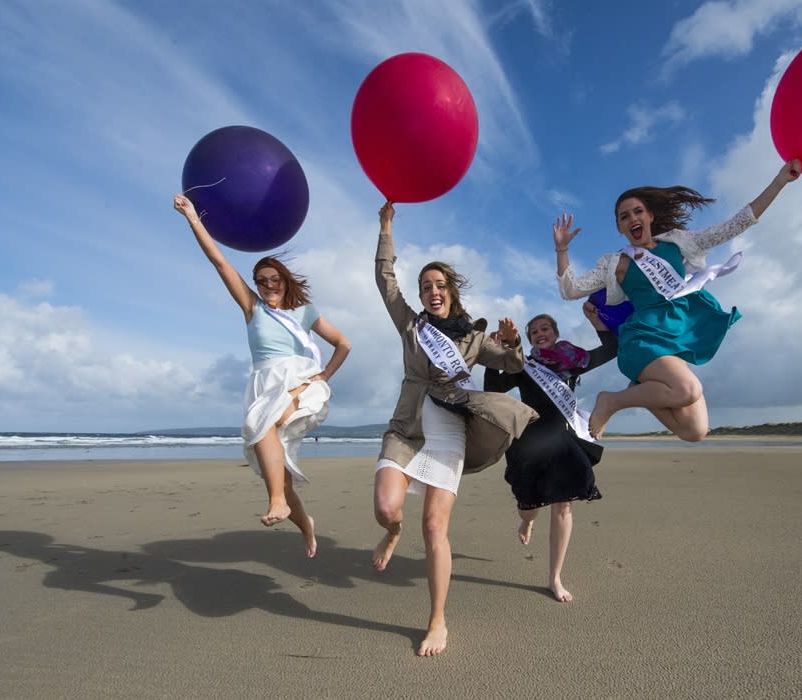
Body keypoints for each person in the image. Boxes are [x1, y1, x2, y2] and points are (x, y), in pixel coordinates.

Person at [373, 201, 537, 657]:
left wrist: (513, 343)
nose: (432, 291)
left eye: (439, 285)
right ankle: (391, 532)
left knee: (433, 528)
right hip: (406, 427)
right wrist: (386, 228)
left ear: (451, 292)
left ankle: (437, 621)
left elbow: (510, 364)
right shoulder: (411, 326)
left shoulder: (470, 338)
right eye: (425, 286)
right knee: (387, 507)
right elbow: (385, 280)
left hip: (448, 434)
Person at [553, 160, 802, 441]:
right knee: (688, 391)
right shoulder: (616, 263)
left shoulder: (678, 243)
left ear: (649, 216)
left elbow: (736, 224)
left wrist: (780, 181)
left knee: (694, 431)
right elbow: (571, 290)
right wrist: (562, 249)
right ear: (620, 227)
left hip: (673, 341)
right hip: (643, 339)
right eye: (624, 216)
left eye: (638, 211)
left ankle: (639, 388)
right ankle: (611, 401)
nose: (632, 218)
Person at [174, 194, 351, 557]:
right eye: (261, 280)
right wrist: (194, 218)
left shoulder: (304, 312)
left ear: (285, 281)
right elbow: (220, 262)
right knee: (280, 474)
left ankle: (275, 502)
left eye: (274, 279)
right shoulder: (251, 307)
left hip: (301, 385)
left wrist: (323, 379)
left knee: (261, 423)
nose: (268, 284)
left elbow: (343, 345)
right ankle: (303, 523)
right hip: (264, 385)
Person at [483, 303, 617, 602]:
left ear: (555, 333)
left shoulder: (573, 359)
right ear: (529, 340)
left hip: (563, 442)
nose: (540, 333)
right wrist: (494, 353)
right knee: (529, 506)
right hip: (530, 443)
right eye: (534, 332)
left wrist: (596, 320)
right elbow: (492, 387)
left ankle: (555, 577)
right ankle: (527, 520)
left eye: (545, 328)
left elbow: (611, 348)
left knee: (563, 506)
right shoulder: (523, 365)